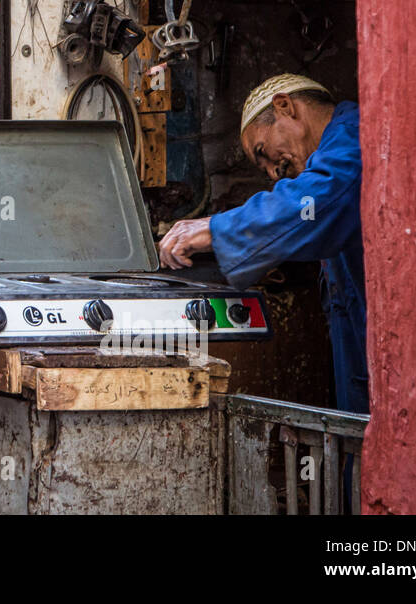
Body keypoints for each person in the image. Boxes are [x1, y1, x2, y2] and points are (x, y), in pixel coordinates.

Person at [157, 73, 368, 414]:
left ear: (284, 107)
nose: (273, 173)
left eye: (263, 153)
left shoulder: (354, 135)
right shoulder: (332, 151)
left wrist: (217, 229)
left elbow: (315, 201)